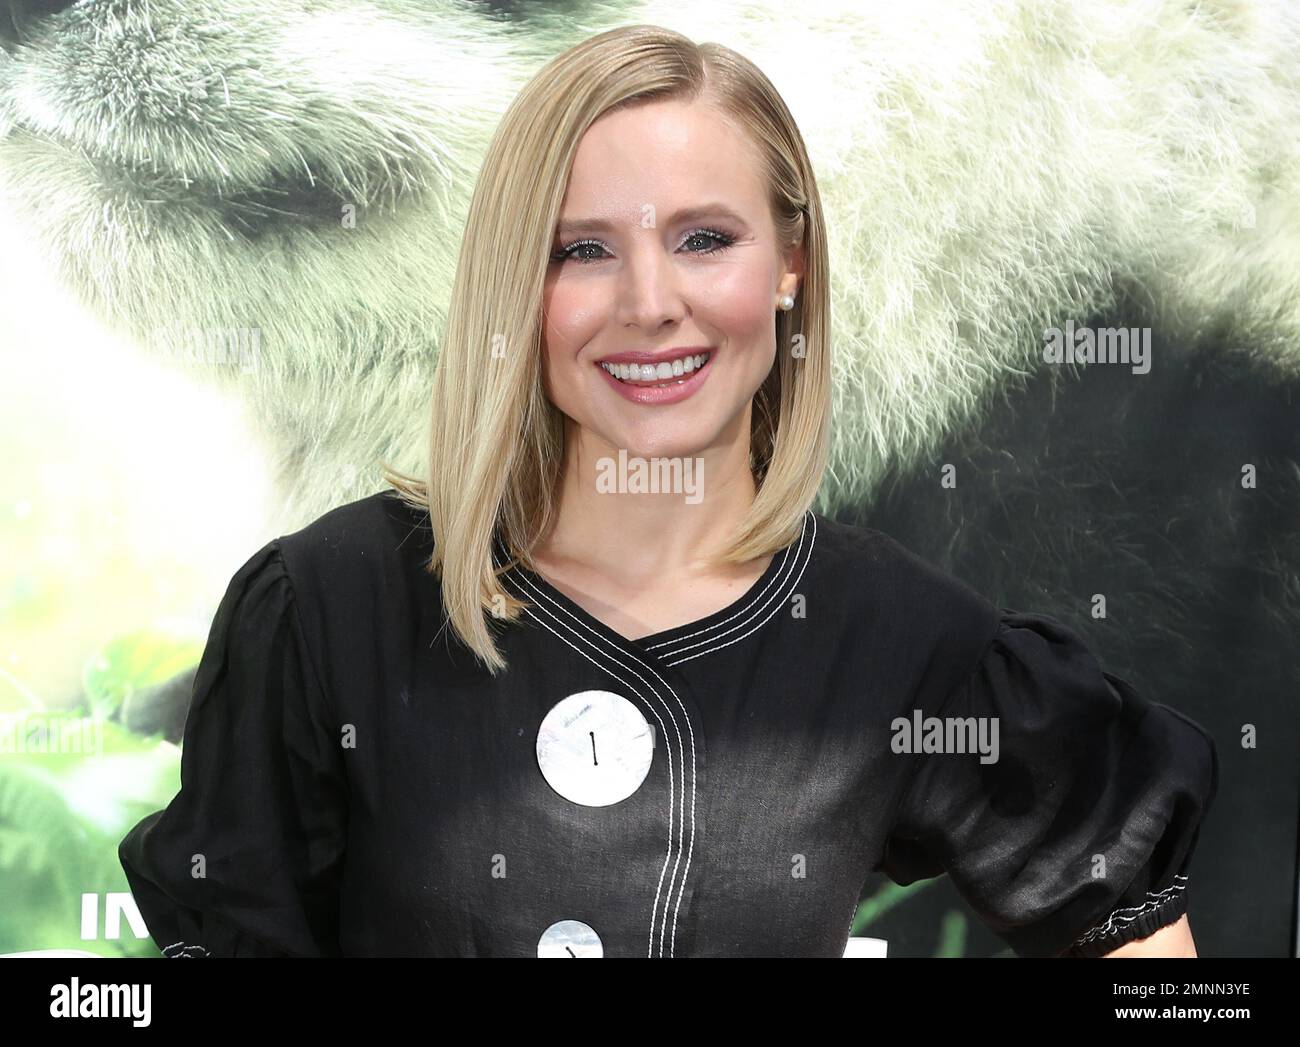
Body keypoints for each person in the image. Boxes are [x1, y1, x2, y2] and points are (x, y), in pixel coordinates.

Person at [118, 24, 1218, 958]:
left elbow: (1135, 928)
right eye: (580, 249)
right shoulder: (324, 607)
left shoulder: (907, 634)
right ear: (514, 276)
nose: (650, 302)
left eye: (704, 239)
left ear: (789, 265)